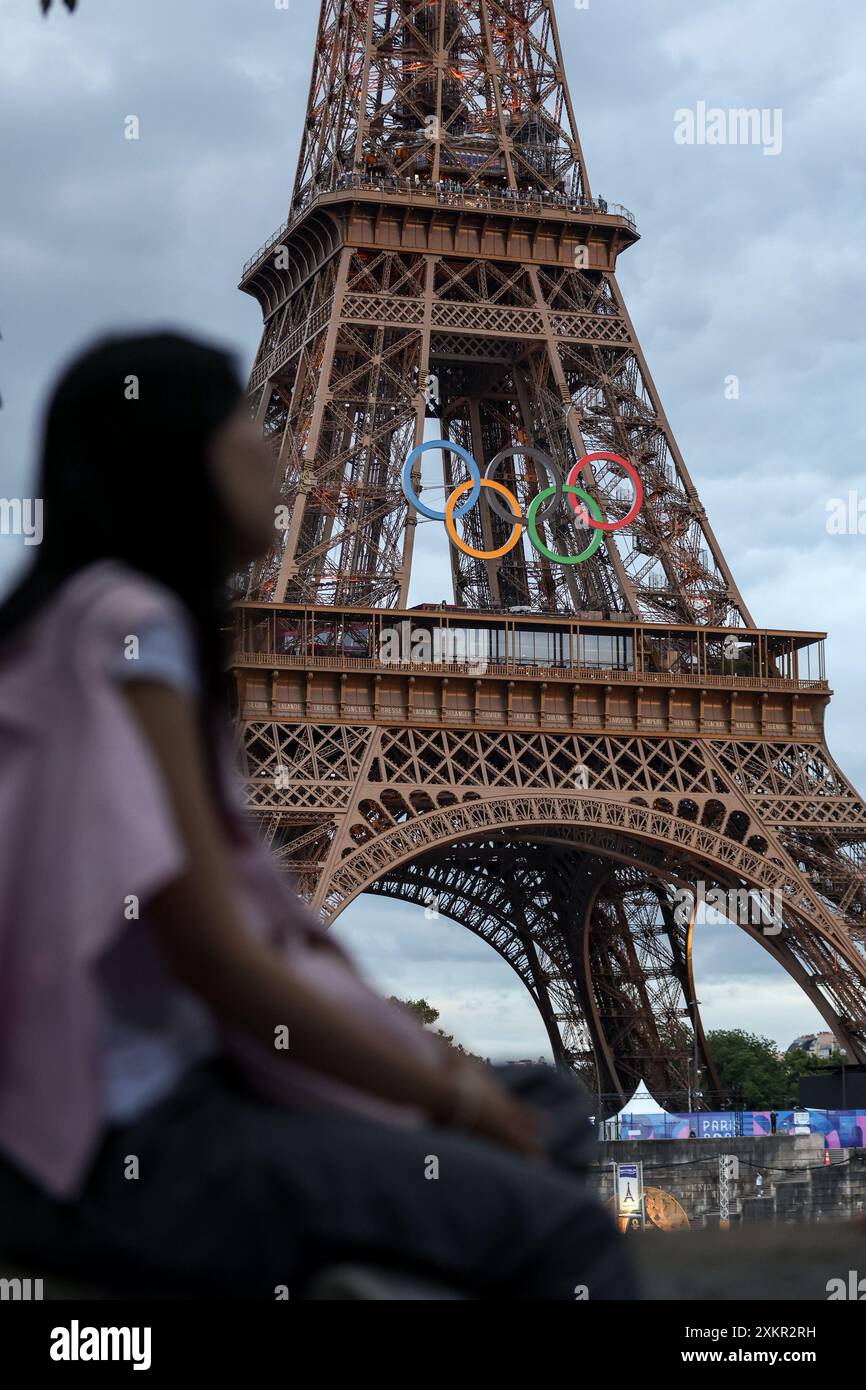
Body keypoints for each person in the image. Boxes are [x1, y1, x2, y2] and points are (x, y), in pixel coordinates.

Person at [0, 333, 635, 1302]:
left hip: (137, 1116)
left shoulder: (66, 629)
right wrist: (443, 1087)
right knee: (569, 1231)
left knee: (545, 1105)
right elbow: (219, 956)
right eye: (246, 426)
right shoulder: (130, 627)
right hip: (124, 1146)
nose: (281, 451)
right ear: (183, 461)